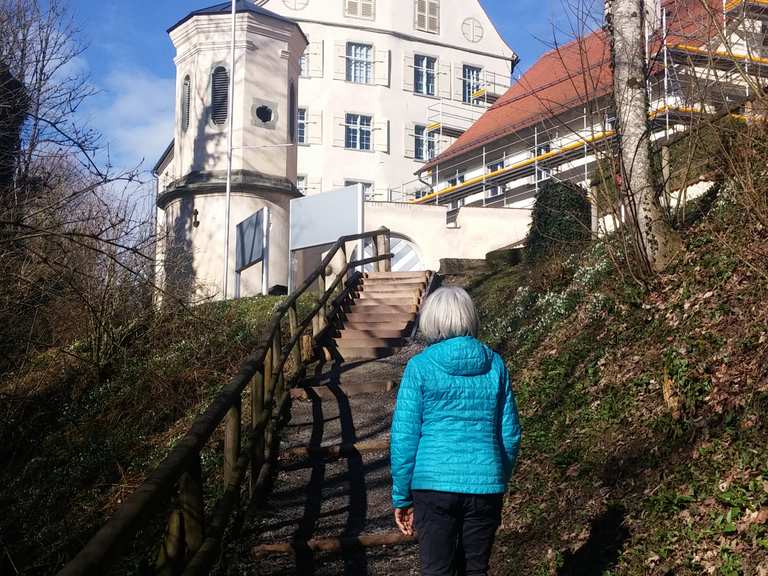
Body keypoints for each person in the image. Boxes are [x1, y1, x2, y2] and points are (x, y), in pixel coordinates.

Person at [390, 286, 521, 576]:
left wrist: (402, 497)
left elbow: (404, 438)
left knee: (437, 570)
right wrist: (496, 475)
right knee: (476, 570)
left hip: (432, 485)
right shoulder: (495, 365)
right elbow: (510, 434)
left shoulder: (420, 367)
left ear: (432, 320)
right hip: (485, 485)